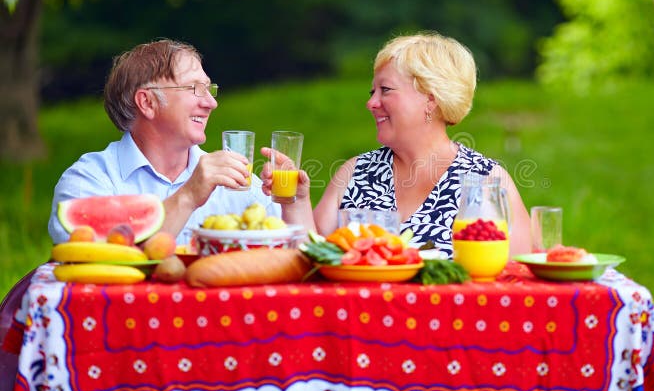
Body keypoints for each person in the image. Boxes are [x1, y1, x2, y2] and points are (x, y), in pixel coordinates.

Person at [262, 32, 533, 257]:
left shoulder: (486, 182)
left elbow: (514, 281)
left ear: (431, 98)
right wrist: (295, 200)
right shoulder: (355, 172)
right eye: (372, 92)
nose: (371, 103)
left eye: (386, 90)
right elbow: (311, 260)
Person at [48, 39, 280, 246]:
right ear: (147, 102)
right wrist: (188, 196)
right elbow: (102, 258)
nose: (211, 103)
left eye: (209, 89)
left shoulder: (233, 179)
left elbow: (297, 254)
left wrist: (295, 203)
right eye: (195, 89)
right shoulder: (89, 180)